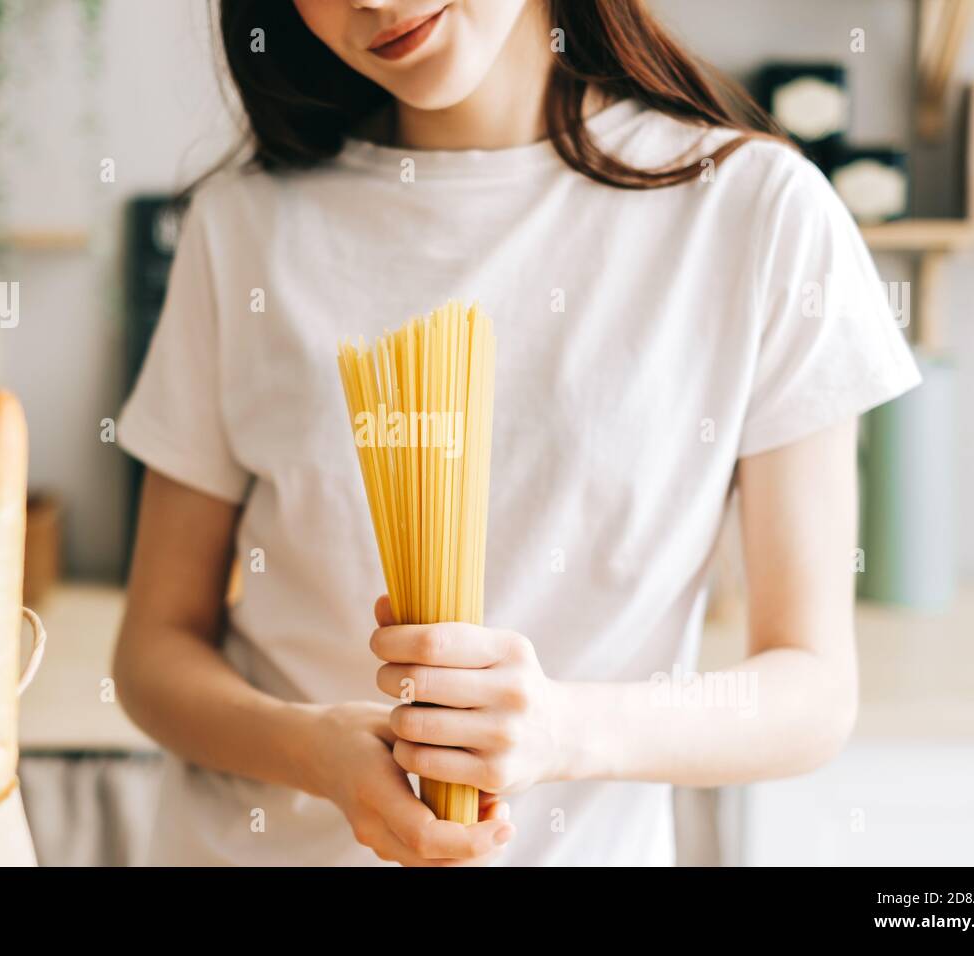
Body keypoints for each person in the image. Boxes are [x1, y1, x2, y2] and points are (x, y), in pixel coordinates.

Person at [112, 0, 920, 866]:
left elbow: (813, 690)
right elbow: (155, 651)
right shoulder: (243, 224)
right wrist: (310, 751)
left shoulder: (756, 212)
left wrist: (568, 730)